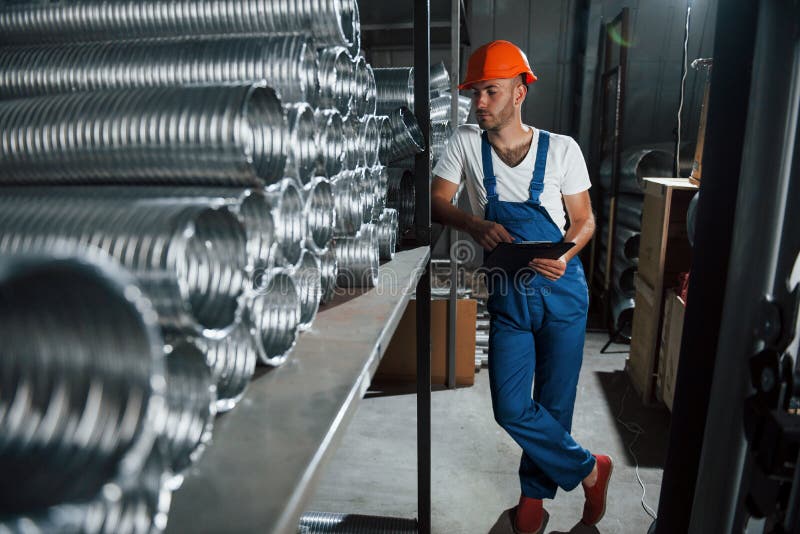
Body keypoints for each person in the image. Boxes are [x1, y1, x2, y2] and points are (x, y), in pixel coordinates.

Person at [430, 40, 613, 534]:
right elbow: (437, 202)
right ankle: (590, 470)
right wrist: (473, 224)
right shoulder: (464, 143)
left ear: (519, 91)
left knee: (554, 404)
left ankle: (531, 506)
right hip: (508, 292)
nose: (479, 103)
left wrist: (567, 254)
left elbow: (584, 220)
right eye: (474, 94)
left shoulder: (562, 149)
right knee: (511, 407)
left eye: (489, 92)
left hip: (561, 292)